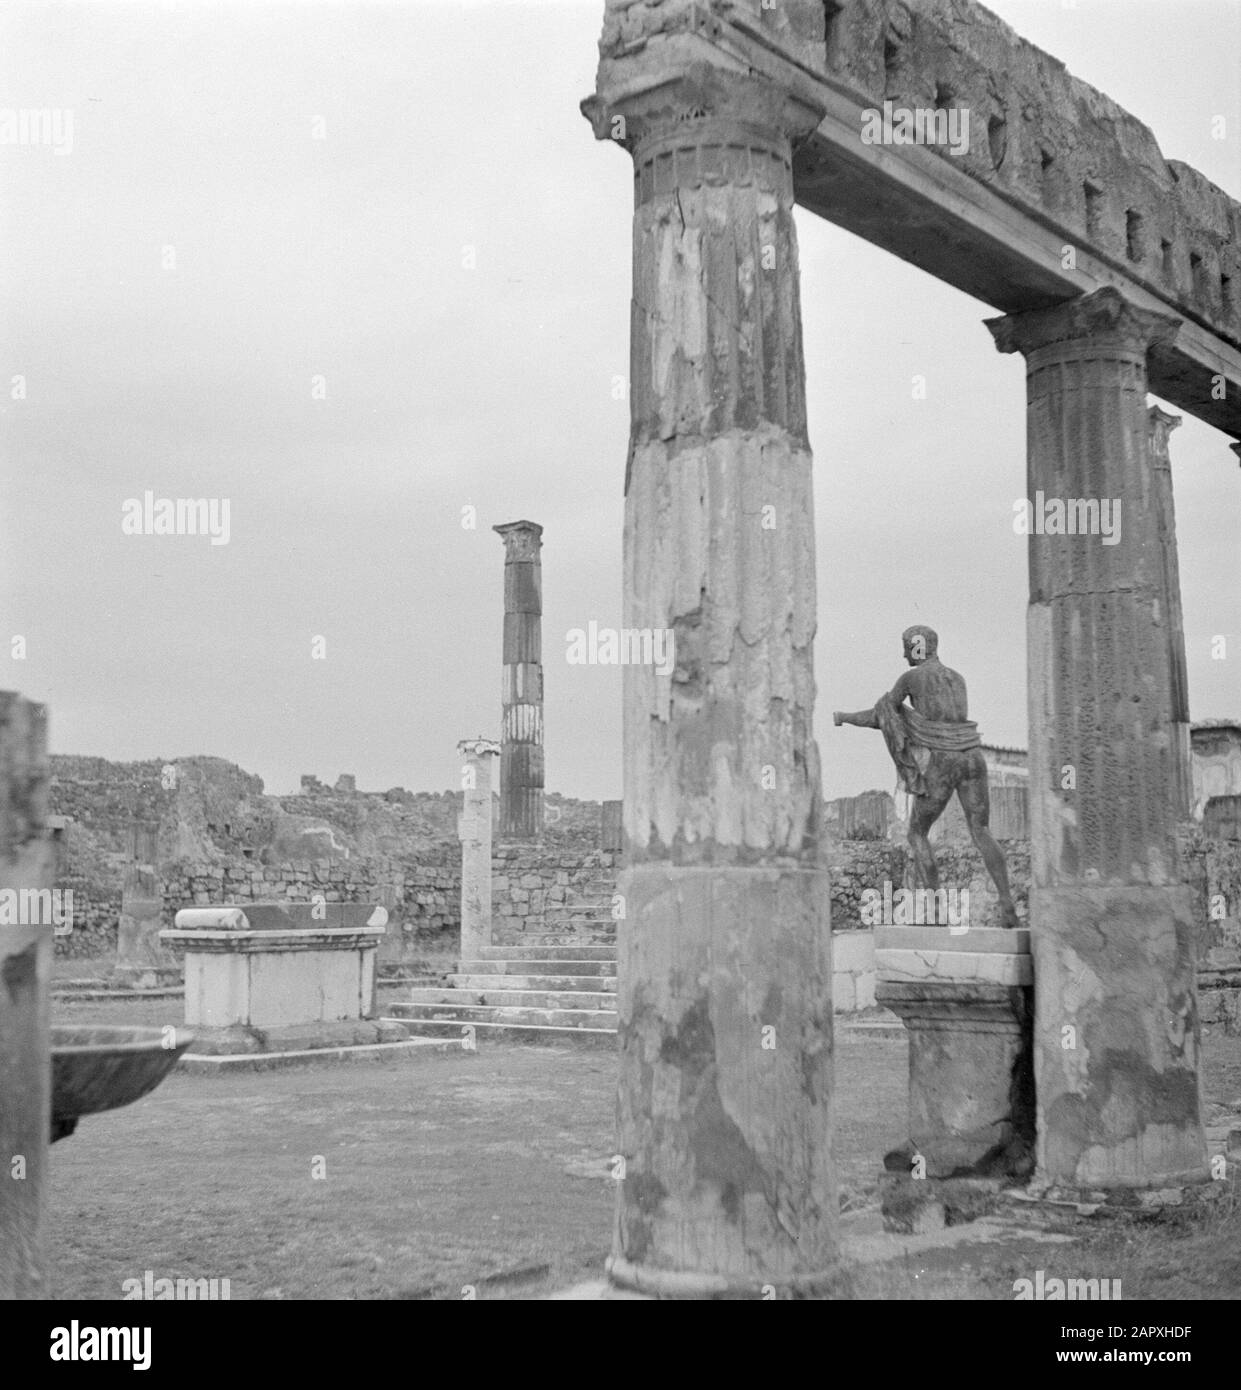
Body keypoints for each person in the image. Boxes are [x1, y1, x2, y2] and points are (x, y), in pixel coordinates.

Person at [833, 625, 1019, 929]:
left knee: (916, 833)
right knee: (981, 830)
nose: (903, 653)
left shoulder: (910, 678)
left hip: (943, 759)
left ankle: (935, 911)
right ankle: (1007, 903)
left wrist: (844, 718)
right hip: (973, 756)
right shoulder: (957, 678)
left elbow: (882, 716)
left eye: (905, 647)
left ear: (917, 647)